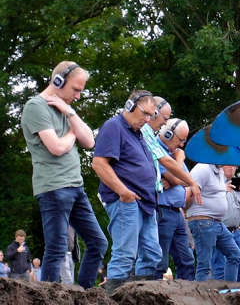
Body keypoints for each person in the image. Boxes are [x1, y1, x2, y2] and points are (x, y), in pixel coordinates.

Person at [20, 61, 108, 287]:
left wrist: (70, 113)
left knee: (98, 243)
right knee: (58, 248)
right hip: (53, 188)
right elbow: (57, 148)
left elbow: (89, 141)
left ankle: (83, 296)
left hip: (75, 187)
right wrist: (71, 131)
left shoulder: (66, 108)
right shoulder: (35, 106)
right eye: (75, 90)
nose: (78, 96)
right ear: (58, 81)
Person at [91, 90, 169, 292]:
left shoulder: (138, 133)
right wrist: (124, 193)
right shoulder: (113, 127)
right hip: (126, 201)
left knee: (152, 254)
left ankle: (140, 298)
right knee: (125, 254)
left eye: (151, 115)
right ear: (130, 106)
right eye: (144, 113)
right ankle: (111, 303)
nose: (147, 119)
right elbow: (99, 164)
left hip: (146, 203)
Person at [185, 162, 240, 281]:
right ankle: (202, 296)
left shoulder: (219, 172)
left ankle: (229, 292)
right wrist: (187, 212)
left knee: (234, 254)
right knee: (205, 264)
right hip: (203, 221)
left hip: (218, 222)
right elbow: (189, 192)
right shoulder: (202, 168)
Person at [155, 119, 197, 281]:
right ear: (168, 133)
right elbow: (178, 179)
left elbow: (188, 180)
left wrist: (175, 179)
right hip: (163, 210)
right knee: (160, 261)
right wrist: (178, 164)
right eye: (180, 140)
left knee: (186, 260)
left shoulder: (173, 152)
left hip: (177, 212)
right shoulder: (157, 150)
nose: (181, 146)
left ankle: (186, 297)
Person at [212, 165, 240, 281]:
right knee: (220, 266)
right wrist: (223, 190)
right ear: (222, 166)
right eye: (228, 165)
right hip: (220, 230)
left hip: (236, 231)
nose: (231, 168)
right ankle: (220, 294)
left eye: (234, 166)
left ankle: (234, 292)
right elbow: (209, 203)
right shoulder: (216, 182)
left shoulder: (239, 184)